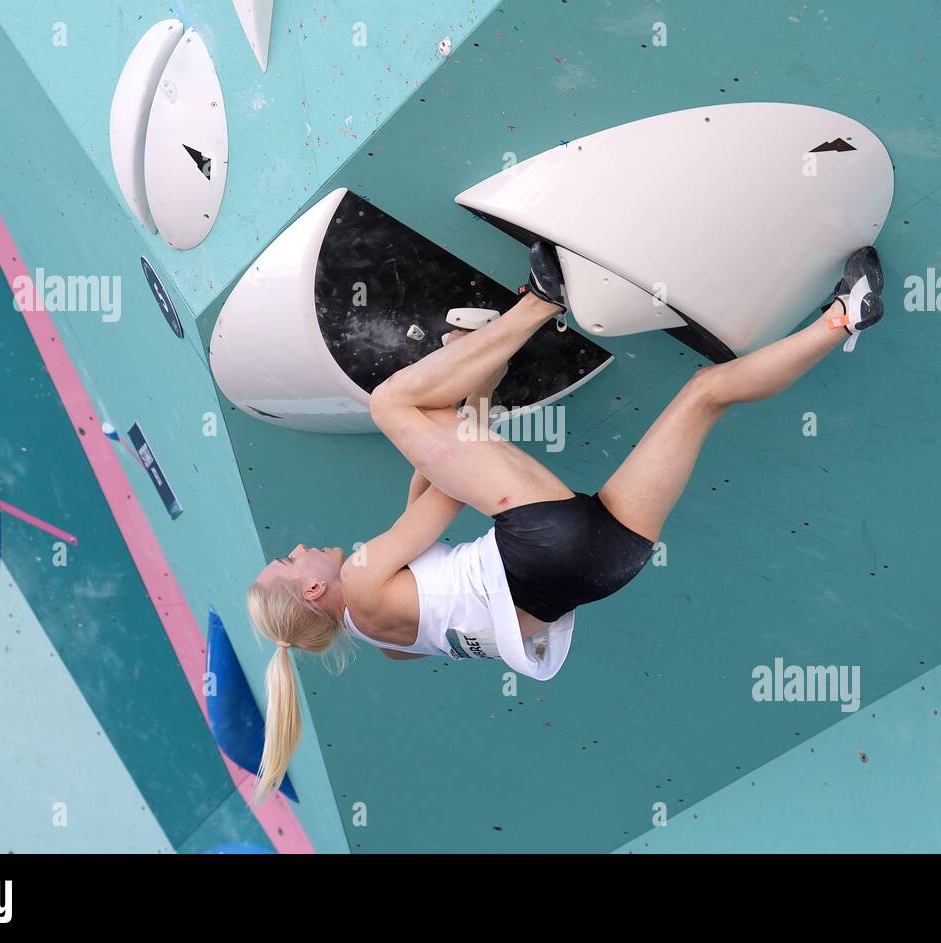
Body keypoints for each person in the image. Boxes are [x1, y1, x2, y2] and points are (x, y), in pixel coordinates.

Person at [246, 242, 885, 800]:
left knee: (703, 395)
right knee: (391, 404)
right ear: (310, 590)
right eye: (290, 559)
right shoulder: (357, 578)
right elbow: (445, 496)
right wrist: (467, 390)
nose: (299, 547)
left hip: (599, 567)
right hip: (537, 546)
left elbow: (434, 491)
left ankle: (847, 315)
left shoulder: (382, 642)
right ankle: (540, 300)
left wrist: (471, 397)